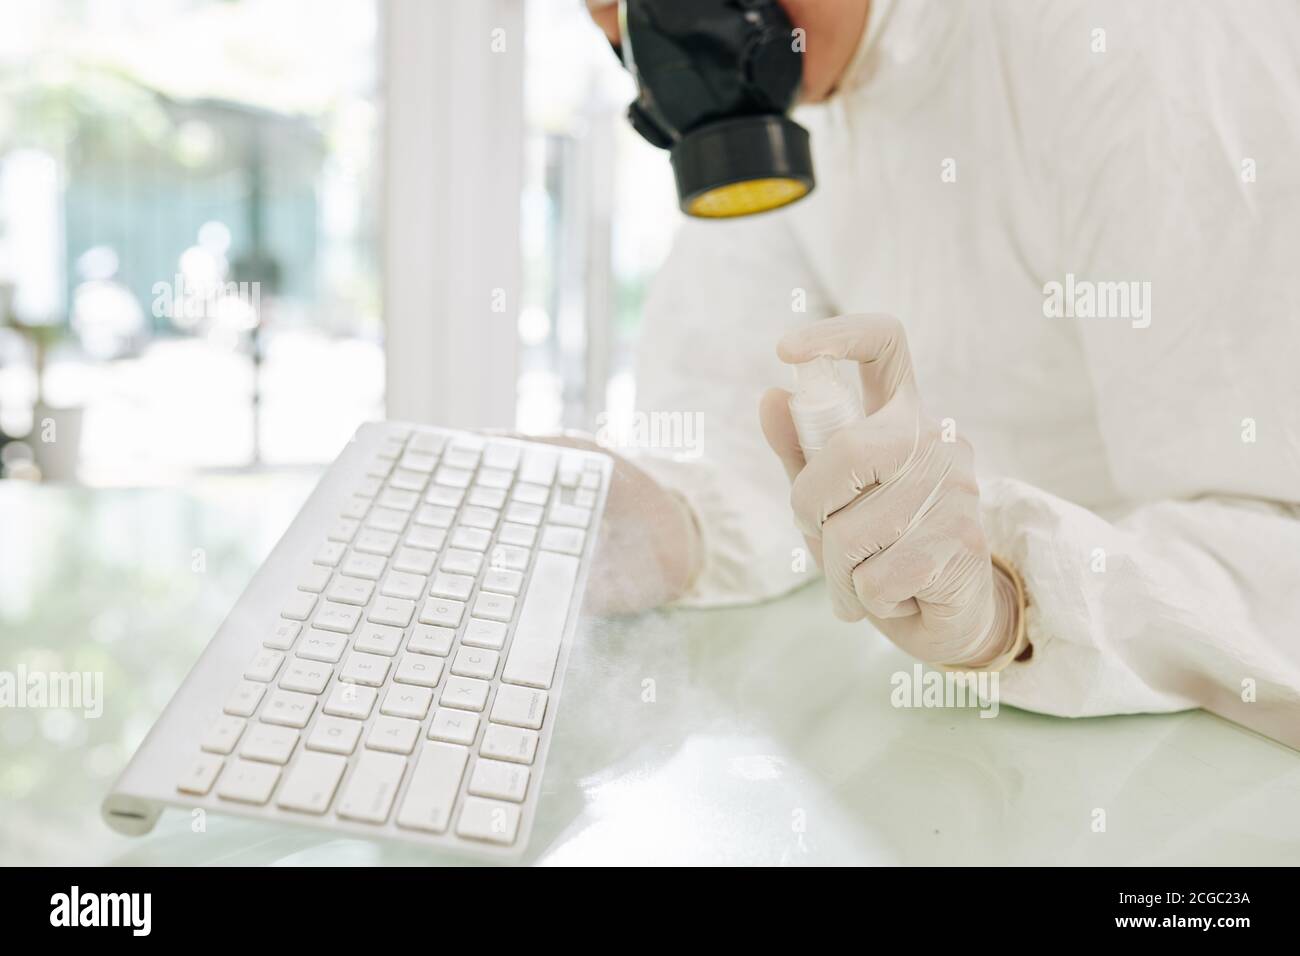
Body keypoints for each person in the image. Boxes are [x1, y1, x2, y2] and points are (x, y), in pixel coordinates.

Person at [579, 0, 1300, 746]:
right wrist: (656, 524)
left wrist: (1015, 604)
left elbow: (1275, 540)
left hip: (1207, 745)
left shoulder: (1146, 49)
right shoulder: (801, 103)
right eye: (602, 9)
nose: (634, 35)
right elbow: (752, 442)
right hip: (991, 733)